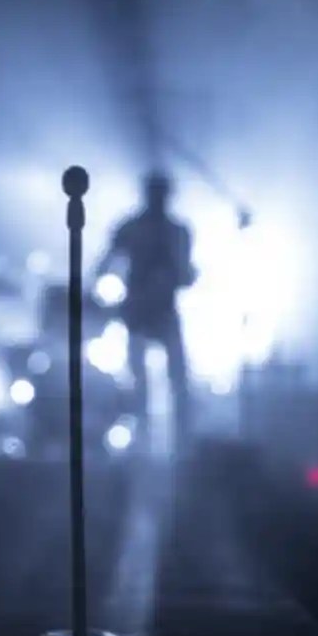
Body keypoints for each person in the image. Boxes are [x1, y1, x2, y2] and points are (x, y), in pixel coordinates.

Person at [95, 171, 196, 453]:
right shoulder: (159, 230)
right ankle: (152, 442)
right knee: (149, 381)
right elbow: (104, 263)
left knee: (170, 380)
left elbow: (184, 274)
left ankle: (174, 443)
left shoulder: (169, 231)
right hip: (143, 311)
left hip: (155, 311)